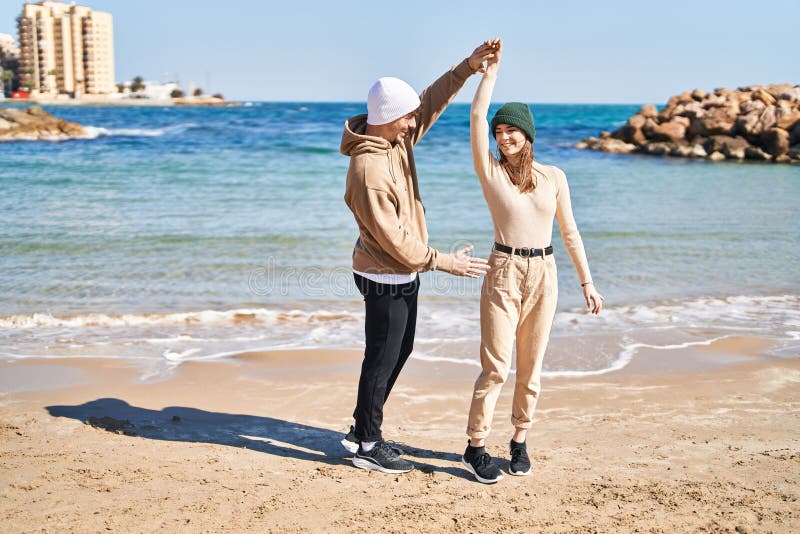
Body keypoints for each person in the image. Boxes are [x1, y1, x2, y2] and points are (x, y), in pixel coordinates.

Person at [340, 42, 496, 474]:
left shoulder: (394, 141)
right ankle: (368, 445)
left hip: (400, 272)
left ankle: (361, 429)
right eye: (406, 117)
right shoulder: (368, 171)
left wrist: (466, 68)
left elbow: (426, 104)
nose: (414, 123)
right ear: (389, 119)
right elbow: (394, 242)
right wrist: (445, 262)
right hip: (383, 272)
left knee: (398, 351)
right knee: (382, 358)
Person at [462, 39, 604, 484]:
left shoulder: (554, 177)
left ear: (527, 134)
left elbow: (570, 232)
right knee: (496, 366)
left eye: (511, 131)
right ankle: (475, 446)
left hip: (545, 273)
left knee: (531, 367)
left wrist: (588, 282)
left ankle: (520, 441)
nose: (503, 137)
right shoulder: (491, 172)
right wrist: (490, 74)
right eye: (499, 132)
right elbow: (476, 116)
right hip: (503, 271)